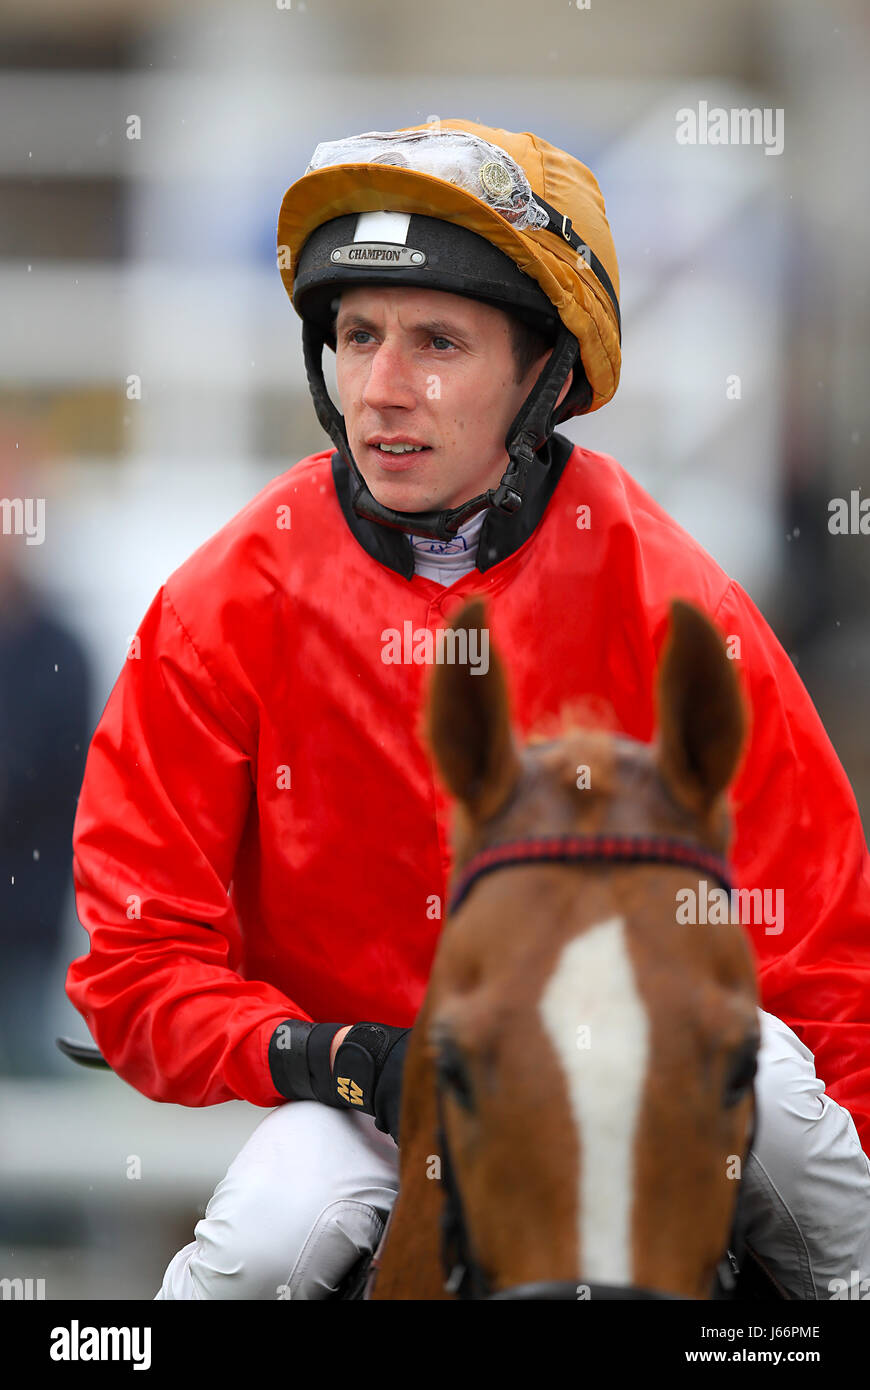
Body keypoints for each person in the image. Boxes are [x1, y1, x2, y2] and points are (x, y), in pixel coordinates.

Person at [65, 118, 870, 1300]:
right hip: (367, 1104)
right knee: (258, 1246)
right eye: (357, 337)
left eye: (437, 341)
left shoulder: (676, 602)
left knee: (811, 1144)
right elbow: (139, 963)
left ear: (544, 370)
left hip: (648, 1070)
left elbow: (817, 948)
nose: (383, 389)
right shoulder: (217, 608)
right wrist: (335, 1055)